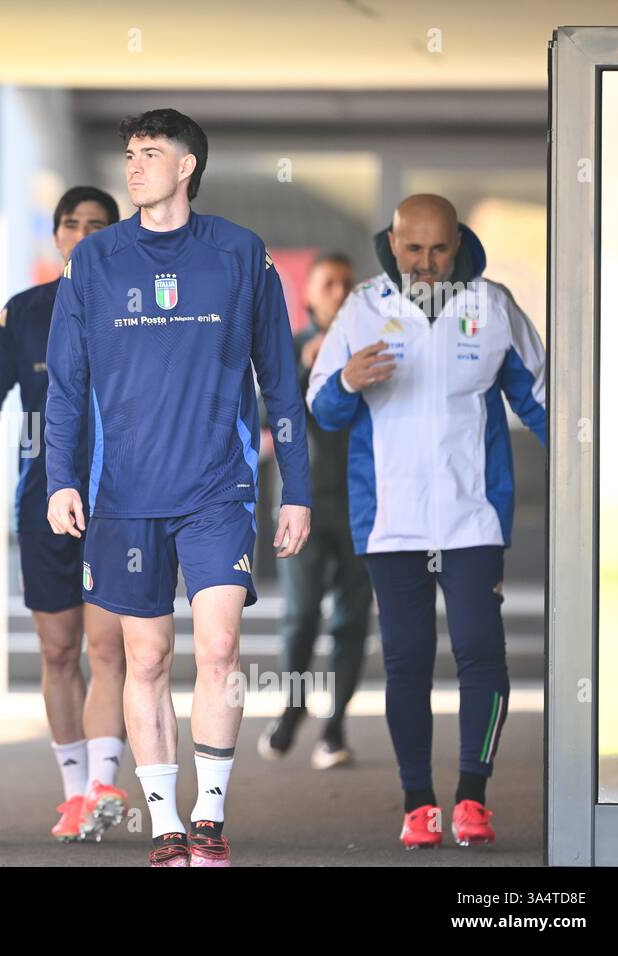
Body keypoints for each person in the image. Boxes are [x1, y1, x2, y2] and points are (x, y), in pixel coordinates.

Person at [45, 109, 312, 867]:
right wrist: (61, 479)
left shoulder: (239, 254)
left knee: (222, 646)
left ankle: (211, 815)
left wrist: (295, 488)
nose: (134, 166)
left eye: (151, 153)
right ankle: (165, 823)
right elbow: (66, 386)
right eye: (129, 153)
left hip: (217, 490)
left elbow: (281, 384)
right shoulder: (92, 261)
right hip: (123, 498)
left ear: (187, 165)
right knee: (148, 659)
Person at [306, 194, 546, 850]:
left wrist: (592, 474)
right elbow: (322, 410)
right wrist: (348, 381)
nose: (428, 262)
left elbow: (542, 398)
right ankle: (419, 803)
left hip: (473, 518)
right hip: (392, 522)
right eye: (414, 249)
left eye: (439, 248)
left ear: (458, 240)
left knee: (480, 652)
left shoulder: (492, 307)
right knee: (407, 660)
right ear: (393, 242)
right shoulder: (361, 310)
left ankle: (473, 795)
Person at [0, 185, 128, 842]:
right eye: (72, 225)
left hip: (120, 504)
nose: (84, 235)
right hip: (44, 504)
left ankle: (103, 787)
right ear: (56, 235)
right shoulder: (24, 313)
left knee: (108, 646)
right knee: (59, 652)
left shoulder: (136, 309)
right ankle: (73, 792)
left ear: (115, 236)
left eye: (97, 226)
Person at [258, 252, 372, 769]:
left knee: (351, 619)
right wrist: (307, 372)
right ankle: (293, 708)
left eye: (348, 284)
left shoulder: (375, 351)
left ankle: (335, 726)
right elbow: (261, 415)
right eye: (329, 283)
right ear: (309, 295)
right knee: (301, 615)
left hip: (363, 505)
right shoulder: (289, 349)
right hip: (299, 507)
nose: (340, 292)